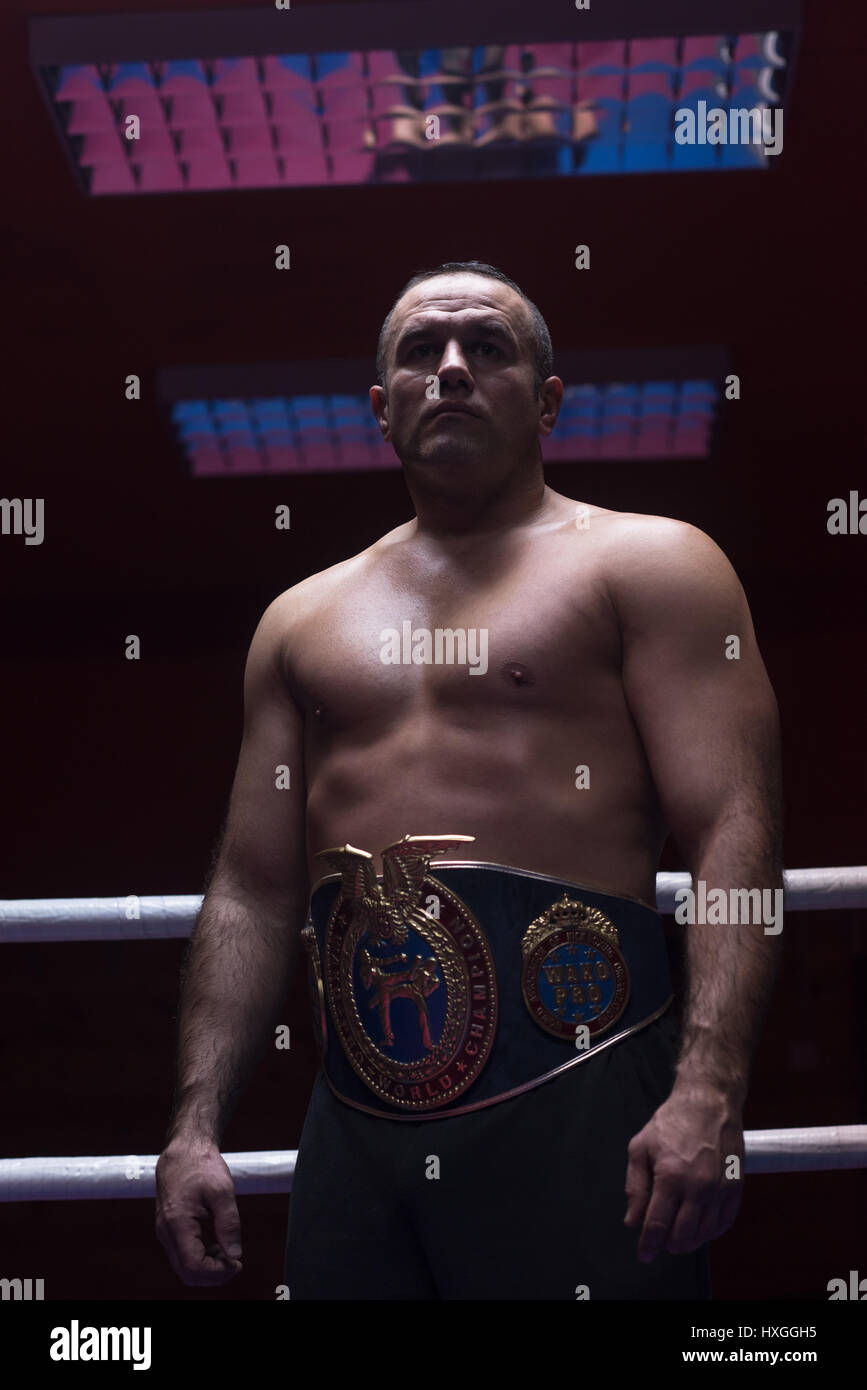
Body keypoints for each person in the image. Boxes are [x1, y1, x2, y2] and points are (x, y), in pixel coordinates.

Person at [155, 260, 783, 1300]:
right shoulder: (300, 620)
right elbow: (253, 887)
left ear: (546, 403)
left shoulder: (654, 565)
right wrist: (192, 1128)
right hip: (358, 1125)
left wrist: (709, 1085)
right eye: (421, 352)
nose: (451, 369)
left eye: (486, 348)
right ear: (379, 407)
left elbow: (734, 828)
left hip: (583, 1087)